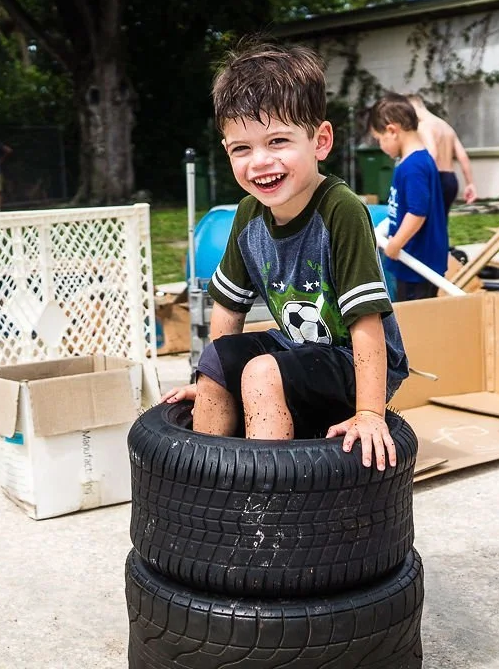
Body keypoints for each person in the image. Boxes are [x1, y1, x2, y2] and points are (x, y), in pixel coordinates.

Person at [159, 43, 409, 471]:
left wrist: (369, 414)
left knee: (261, 373)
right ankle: (201, 489)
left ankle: (270, 502)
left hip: (357, 361)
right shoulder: (247, 215)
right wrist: (216, 380)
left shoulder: (340, 210)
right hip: (301, 347)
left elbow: (366, 322)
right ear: (227, 151)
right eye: (242, 148)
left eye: (277, 141)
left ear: (320, 141)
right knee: (216, 361)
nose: (260, 162)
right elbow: (227, 308)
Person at [370, 92, 449, 301]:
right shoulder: (410, 162)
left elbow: (417, 212)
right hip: (412, 260)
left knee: (416, 321)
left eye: (379, 140)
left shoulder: (414, 166)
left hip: (418, 263)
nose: (380, 146)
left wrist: (396, 243)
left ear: (392, 130)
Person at [405, 94, 478, 214]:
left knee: (430, 221)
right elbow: (462, 156)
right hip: (451, 180)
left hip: (436, 178)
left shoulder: (423, 126)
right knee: (441, 221)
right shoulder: (445, 126)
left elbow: (432, 152)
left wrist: (420, 176)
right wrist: (470, 183)